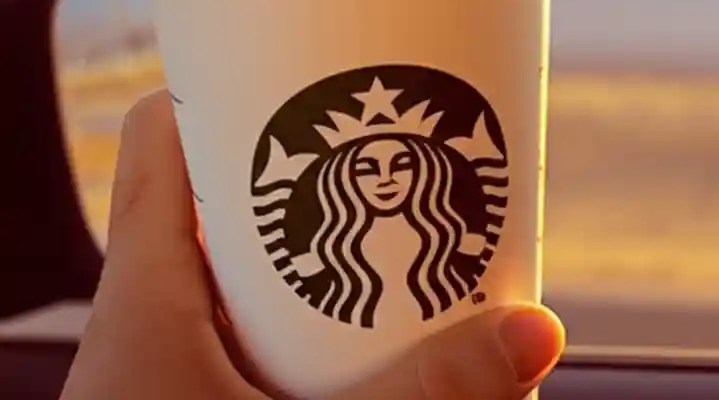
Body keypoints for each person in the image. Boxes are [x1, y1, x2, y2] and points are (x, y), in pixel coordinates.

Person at [60, 91, 565, 399]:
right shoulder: (337, 256)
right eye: (367, 168)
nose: (385, 180)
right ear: (343, 181)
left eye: (402, 164)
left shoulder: (439, 243)